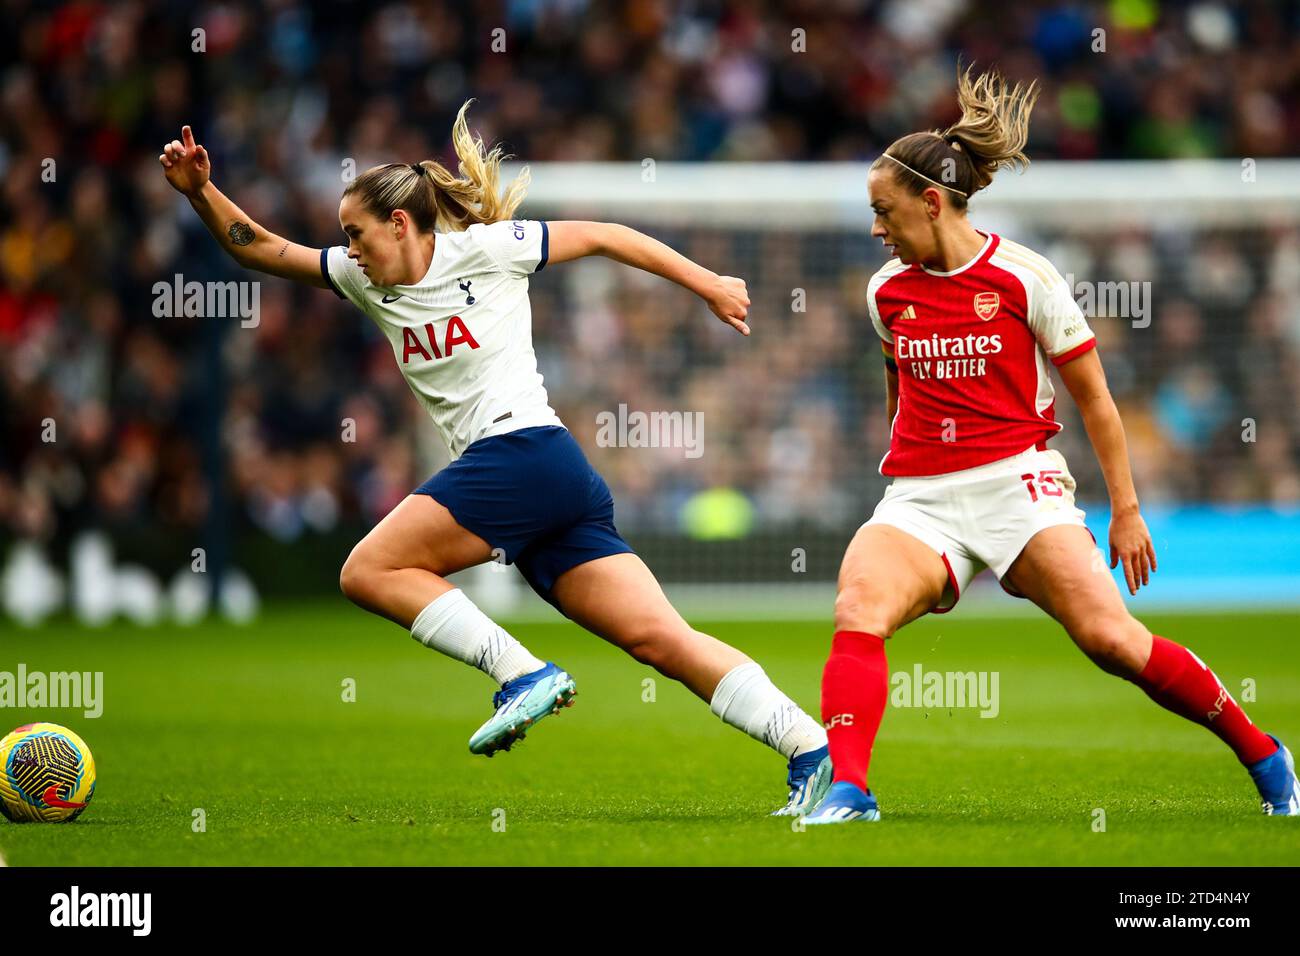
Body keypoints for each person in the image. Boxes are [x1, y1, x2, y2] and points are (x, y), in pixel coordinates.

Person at [159, 103, 831, 815]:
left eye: (357, 235)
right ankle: (814, 752)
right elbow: (260, 249)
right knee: (662, 642)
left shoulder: (487, 249)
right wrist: (201, 191)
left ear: (400, 225)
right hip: (545, 481)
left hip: (524, 453)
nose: (348, 250)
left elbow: (604, 234)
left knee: (369, 570)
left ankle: (520, 674)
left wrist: (707, 283)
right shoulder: (367, 280)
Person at [804, 67, 1299, 824]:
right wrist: (907, 483)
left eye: (885, 211)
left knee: (1111, 640)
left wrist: (1126, 510)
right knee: (858, 607)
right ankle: (851, 790)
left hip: (1017, 484)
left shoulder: (1025, 277)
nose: (877, 229)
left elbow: (1096, 399)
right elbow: (896, 386)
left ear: (931, 201)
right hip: (920, 496)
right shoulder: (886, 292)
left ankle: (1263, 752)